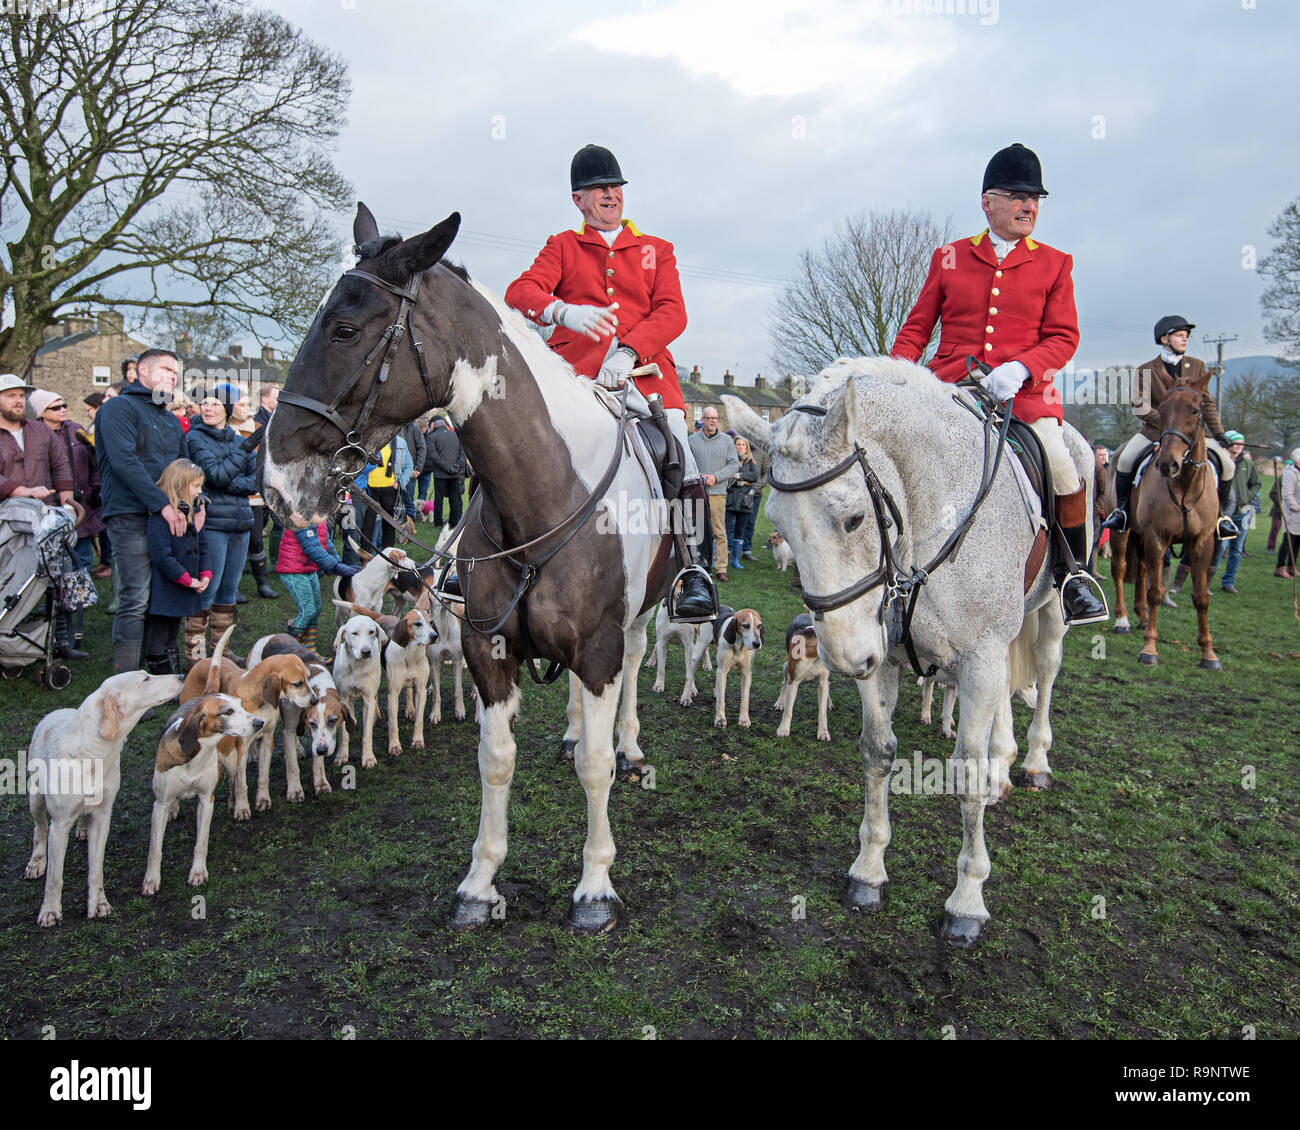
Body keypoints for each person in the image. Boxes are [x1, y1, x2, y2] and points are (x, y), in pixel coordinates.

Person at [891, 142, 1106, 624]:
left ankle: (1074, 576)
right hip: (951, 388)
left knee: (1063, 466)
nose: (1028, 206)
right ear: (987, 201)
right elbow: (916, 329)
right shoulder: (949, 257)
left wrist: (1023, 368)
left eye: (1035, 199)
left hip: (1026, 398)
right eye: (1016, 195)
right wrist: (899, 375)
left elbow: (1064, 337)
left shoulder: (1055, 263)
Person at [504, 143, 716, 621]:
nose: (610, 194)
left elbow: (673, 312)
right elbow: (519, 293)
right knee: (512, 442)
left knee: (678, 453)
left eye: (615, 187)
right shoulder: (562, 246)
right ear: (578, 199)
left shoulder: (656, 250)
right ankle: (477, 555)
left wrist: (628, 350)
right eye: (599, 189)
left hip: (646, 380)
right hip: (575, 384)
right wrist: (562, 311)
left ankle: (692, 571)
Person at [94, 348, 188, 673]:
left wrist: (193, 503)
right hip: (130, 513)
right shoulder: (118, 408)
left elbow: (184, 468)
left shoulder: (170, 419)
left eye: (175, 372)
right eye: (165, 369)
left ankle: (159, 669)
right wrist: (162, 503)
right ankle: (126, 682)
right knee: (134, 597)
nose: (172, 377)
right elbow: (124, 461)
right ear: (140, 371)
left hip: (168, 515)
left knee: (162, 593)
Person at [1102, 316, 1238, 539]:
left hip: (1191, 436)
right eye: (1179, 335)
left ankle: (1220, 518)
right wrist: (1168, 424)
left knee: (1227, 465)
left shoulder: (1197, 367)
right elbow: (1140, 406)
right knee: (1124, 459)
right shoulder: (1146, 369)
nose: (1185, 339)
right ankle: (1122, 512)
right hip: (1154, 433)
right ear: (1165, 339)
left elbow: (1207, 404)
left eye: (1186, 336)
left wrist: (1220, 432)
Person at [0, 375, 79, 657]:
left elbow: (60, 467)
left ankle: (59, 641)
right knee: (11, 578)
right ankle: (10, 635)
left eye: (21, 395)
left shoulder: (40, 431)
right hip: (6, 519)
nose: (18, 400)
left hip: (44, 518)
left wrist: (68, 506)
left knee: (53, 575)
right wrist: (19, 489)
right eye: (10, 395)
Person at [184, 383, 259, 659]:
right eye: (205, 403)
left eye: (215, 403)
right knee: (208, 589)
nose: (207, 407)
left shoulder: (240, 441)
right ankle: (196, 656)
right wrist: (234, 469)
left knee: (228, 591)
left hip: (241, 522)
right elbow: (213, 476)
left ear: (227, 410)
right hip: (213, 523)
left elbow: (255, 482)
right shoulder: (195, 439)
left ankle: (220, 654)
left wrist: (228, 481)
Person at [30, 389, 105, 656]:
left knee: (79, 568)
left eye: (64, 404)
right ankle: (47, 633)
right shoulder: (33, 434)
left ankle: (72, 633)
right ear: (41, 412)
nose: (63, 410)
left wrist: (97, 488)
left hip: (79, 509)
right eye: (55, 407)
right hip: (48, 511)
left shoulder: (76, 429)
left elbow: (94, 461)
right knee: (46, 576)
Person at [144, 459, 210, 675]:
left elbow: (203, 546)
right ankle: (161, 679)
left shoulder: (193, 513)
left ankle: (173, 679)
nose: (199, 491)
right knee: (158, 636)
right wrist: (186, 578)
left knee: (173, 634)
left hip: (186, 584)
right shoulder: (160, 518)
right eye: (196, 486)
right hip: (167, 587)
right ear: (180, 485)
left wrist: (205, 573)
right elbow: (162, 556)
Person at [275, 520, 359, 652]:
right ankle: (289, 650)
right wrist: (335, 567)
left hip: (308, 568)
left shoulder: (318, 516)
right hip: (293, 570)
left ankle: (309, 650)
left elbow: (325, 542)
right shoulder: (300, 516)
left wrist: (338, 562)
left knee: (316, 609)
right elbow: (311, 547)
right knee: (307, 611)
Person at [688, 406, 739, 582]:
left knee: (719, 532)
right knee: (697, 531)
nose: (712, 421)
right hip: (697, 492)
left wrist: (715, 477)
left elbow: (734, 465)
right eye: (709, 418)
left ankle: (721, 567)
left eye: (715, 418)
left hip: (717, 492)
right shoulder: (692, 440)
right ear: (702, 420)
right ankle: (699, 565)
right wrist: (698, 476)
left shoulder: (726, 441)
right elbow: (688, 464)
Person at [244, 383, 279, 600]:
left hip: (263, 483)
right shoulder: (257, 422)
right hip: (252, 485)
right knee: (254, 535)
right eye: (276, 397)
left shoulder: (271, 420)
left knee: (259, 531)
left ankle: (260, 577)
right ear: (265, 399)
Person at [1215, 432, 1259, 594]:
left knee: (1237, 549)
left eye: (1242, 443)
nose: (1239, 446)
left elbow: (1256, 483)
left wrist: (1248, 496)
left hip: (1244, 512)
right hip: (1225, 512)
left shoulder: (1247, 463)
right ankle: (1206, 581)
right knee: (1221, 547)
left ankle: (1228, 582)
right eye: (1236, 443)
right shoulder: (1220, 461)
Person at [83, 392, 113, 579]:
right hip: (100, 481)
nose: (87, 414)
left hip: (107, 482)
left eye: (89, 410)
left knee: (108, 527)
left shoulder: (104, 425)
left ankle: (108, 563)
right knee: (102, 527)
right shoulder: (93, 426)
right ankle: (105, 562)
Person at [725, 436, 760, 572]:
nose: (740, 447)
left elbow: (754, 476)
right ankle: (720, 558)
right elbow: (727, 475)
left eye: (742, 445)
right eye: (738, 444)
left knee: (740, 530)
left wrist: (738, 476)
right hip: (730, 499)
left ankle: (735, 559)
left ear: (747, 447)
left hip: (745, 502)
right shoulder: (729, 460)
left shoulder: (751, 462)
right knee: (725, 530)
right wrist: (744, 479)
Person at [426, 417, 466, 527]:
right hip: (455, 473)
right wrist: (456, 467)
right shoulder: (456, 435)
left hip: (440, 474)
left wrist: (447, 468)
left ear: (433, 425)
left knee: (439, 500)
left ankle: (438, 522)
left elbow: (433, 456)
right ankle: (455, 521)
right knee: (455, 498)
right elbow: (463, 453)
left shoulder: (431, 437)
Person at [739, 438, 770, 562]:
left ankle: (746, 550)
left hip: (756, 494)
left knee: (750, 523)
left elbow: (766, 472)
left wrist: (756, 487)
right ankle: (731, 549)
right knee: (735, 523)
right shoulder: (740, 451)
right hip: (739, 492)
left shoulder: (762, 453)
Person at [1276, 451, 1300, 579]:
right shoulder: (1290, 473)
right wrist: (1296, 507)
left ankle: (1292, 566)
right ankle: (1280, 567)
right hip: (1292, 513)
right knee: (1288, 541)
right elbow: (1287, 494)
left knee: (1297, 542)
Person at [398, 419, 426, 520]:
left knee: (408, 498)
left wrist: (417, 468)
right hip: (395, 469)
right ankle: (398, 520)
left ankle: (410, 522)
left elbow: (421, 448)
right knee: (395, 499)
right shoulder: (394, 426)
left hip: (410, 470)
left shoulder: (413, 428)